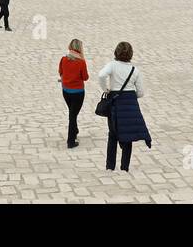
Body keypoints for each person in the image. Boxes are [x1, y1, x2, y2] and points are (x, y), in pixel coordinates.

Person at [97, 41, 151, 172]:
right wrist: (131, 96)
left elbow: (101, 75)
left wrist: (106, 89)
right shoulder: (134, 70)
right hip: (130, 104)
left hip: (115, 102)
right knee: (128, 135)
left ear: (116, 52)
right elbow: (141, 92)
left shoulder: (112, 65)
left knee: (113, 134)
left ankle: (110, 166)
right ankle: (124, 167)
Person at [58, 39, 89, 148]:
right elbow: (85, 77)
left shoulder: (63, 59)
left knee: (72, 113)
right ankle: (71, 141)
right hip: (78, 92)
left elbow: (60, 72)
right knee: (73, 115)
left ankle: (75, 130)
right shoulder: (81, 62)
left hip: (66, 91)